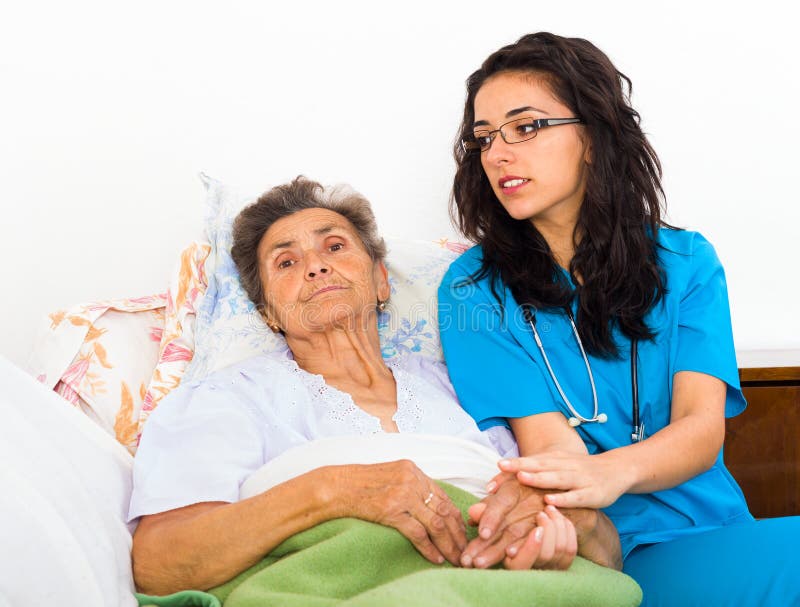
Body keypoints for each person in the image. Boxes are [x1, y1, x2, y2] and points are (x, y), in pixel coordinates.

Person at [128, 176, 624, 598]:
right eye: (285, 262)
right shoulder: (225, 400)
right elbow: (158, 564)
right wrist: (332, 491)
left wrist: (563, 528)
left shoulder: (466, 387)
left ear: (382, 281)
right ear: (267, 314)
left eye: (335, 246)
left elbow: (609, 553)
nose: (316, 266)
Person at [437, 32, 800, 606]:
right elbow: (553, 454)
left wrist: (616, 471)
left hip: (720, 530)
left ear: (592, 135)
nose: (498, 154)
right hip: (608, 550)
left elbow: (701, 431)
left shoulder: (687, 263)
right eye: (484, 139)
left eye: (525, 127)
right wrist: (594, 493)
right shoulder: (473, 290)